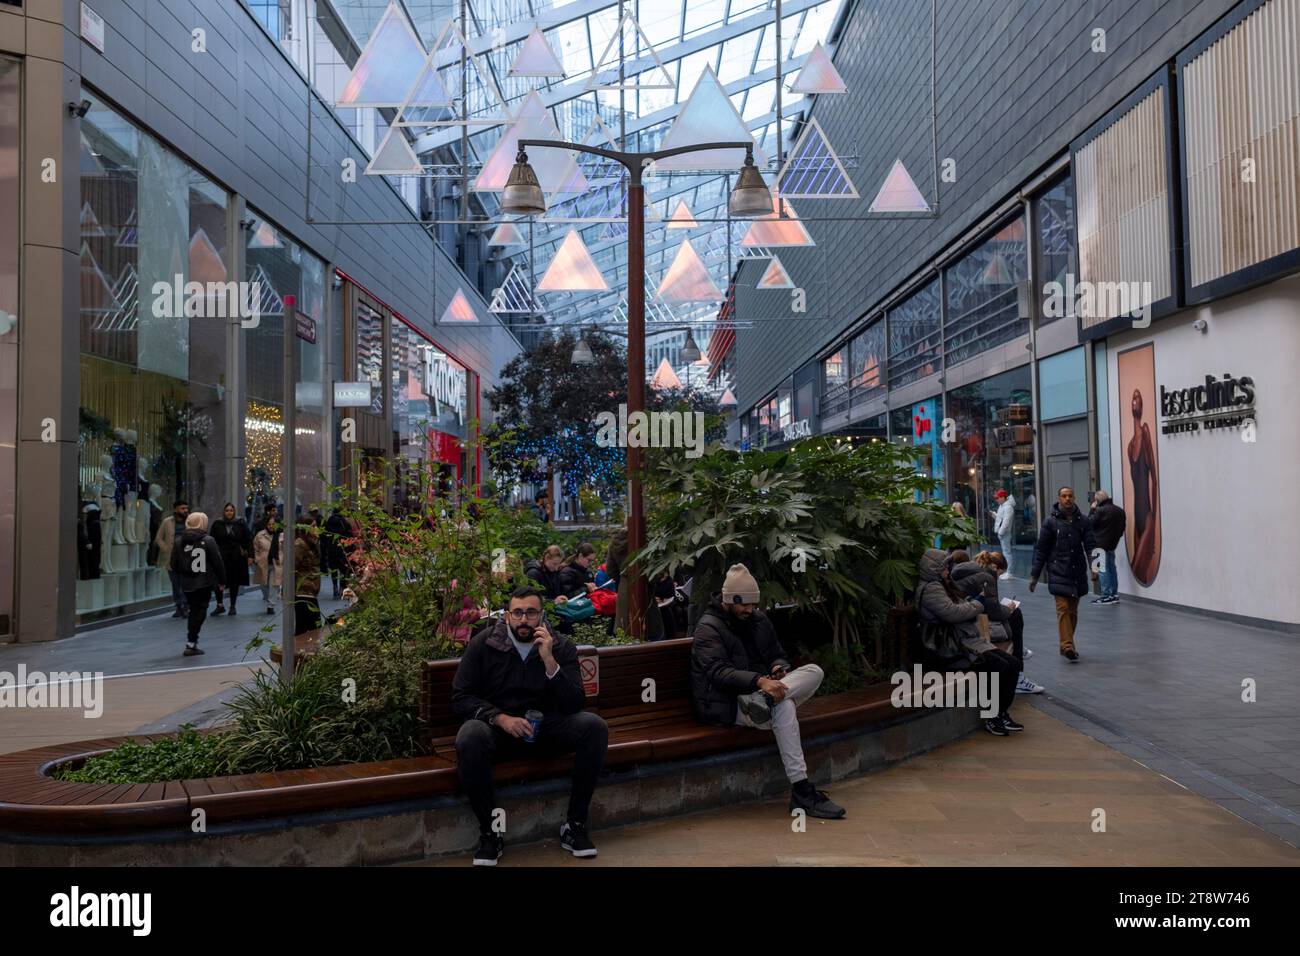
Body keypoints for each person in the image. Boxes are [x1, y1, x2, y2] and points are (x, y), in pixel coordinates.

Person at [452, 586, 609, 865]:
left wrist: (549, 660)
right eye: (518, 613)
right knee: (470, 736)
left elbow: (575, 703)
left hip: (546, 731)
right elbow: (461, 696)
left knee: (593, 727)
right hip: (500, 733)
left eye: (531, 613)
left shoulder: (560, 646)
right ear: (507, 616)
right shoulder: (483, 644)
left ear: (542, 615)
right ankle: (490, 833)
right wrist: (500, 718)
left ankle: (574, 825)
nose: (524, 619)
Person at [690, 564, 846, 819]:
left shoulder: (758, 620)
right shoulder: (708, 628)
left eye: (753, 604)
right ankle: (801, 790)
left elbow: (777, 654)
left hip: (761, 697)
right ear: (729, 600)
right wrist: (760, 682)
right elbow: (719, 673)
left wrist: (778, 668)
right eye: (744, 604)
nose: (749, 610)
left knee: (814, 671)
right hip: (729, 703)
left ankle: (765, 701)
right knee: (783, 705)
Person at [915, 549, 1023, 735]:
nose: (948, 571)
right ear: (935, 569)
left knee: (1012, 663)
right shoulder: (932, 589)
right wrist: (979, 602)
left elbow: (958, 606)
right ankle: (993, 716)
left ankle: (1001, 714)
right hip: (948, 648)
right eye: (945, 568)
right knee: (1000, 666)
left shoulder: (942, 584)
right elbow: (954, 613)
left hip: (962, 641)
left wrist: (972, 602)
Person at [1030, 486, 1097, 662]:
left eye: (1070, 496)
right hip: (1058, 570)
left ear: (1074, 498)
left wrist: (1096, 568)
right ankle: (1067, 646)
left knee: (1073, 611)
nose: (1067, 499)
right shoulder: (1050, 522)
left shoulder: (1083, 521)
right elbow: (1041, 550)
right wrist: (1034, 576)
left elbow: (1092, 545)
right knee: (1063, 609)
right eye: (1064, 496)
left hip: (1077, 572)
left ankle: (1066, 645)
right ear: (1059, 498)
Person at [972, 551, 1044, 695]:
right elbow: (994, 612)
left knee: (1013, 616)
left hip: (976, 619)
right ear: (994, 567)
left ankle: (1020, 651)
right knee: (1015, 614)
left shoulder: (976, 573)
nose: (998, 577)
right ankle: (1019, 674)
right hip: (978, 625)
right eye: (1000, 573)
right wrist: (1008, 608)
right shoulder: (987, 578)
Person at [171, 512, 224, 657]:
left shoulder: (179, 541)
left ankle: (192, 641)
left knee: (193, 610)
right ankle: (191, 641)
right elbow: (217, 562)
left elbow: (173, 564)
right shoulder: (208, 540)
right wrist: (222, 580)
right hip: (204, 582)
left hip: (187, 584)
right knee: (199, 611)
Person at [1127, 389, 1160, 585]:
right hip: (1137, 520)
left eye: (1138, 398)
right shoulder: (1130, 446)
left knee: (1138, 566)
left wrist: (1153, 519)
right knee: (1140, 573)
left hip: (1147, 516)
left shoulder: (1145, 431)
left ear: (1142, 404)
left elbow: (1154, 479)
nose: (1135, 402)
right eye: (1133, 398)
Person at [210, 502, 252, 616]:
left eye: (231, 510)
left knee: (234, 581)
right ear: (224, 512)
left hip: (236, 557)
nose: (229, 512)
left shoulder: (241, 523)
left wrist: (250, 555)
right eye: (227, 510)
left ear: (234, 512)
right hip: (221, 556)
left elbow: (248, 539)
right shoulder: (217, 523)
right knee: (219, 581)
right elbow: (212, 540)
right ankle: (220, 605)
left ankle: (232, 606)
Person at [1089, 490, 1127, 605]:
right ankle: (1114, 594)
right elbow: (1122, 528)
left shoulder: (1100, 510)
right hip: (1112, 544)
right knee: (1111, 568)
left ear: (1097, 500)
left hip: (1099, 544)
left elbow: (1089, 523)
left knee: (1102, 570)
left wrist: (1092, 509)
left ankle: (1106, 595)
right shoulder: (1119, 510)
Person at [153, 499, 189, 618]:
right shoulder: (167, 521)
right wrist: (166, 548)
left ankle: (186, 606)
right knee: (175, 584)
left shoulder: (190, 521)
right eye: (182, 508)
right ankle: (178, 606)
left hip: (186, 557)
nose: (185, 510)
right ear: (176, 509)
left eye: (186, 508)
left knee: (185, 583)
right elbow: (158, 538)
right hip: (171, 558)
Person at [290, 523, 322, 635]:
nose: (316, 528)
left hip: (311, 591)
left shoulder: (312, 543)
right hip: (303, 591)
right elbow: (292, 566)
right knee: (305, 629)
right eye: (313, 526)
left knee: (314, 628)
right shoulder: (300, 544)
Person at [251, 513, 280, 615]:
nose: (271, 526)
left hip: (276, 564)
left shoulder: (281, 535)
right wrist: (257, 559)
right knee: (263, 584)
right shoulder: (260, 535)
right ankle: (269, 599)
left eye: (273, 524)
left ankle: (270, 605)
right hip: (263, 563)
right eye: (269, 524)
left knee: (274, 585)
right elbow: (255, 547)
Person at [323, 507, 351, 599]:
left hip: (332, 549)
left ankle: (334, 587)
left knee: (334, 569)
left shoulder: (329, 521)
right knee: (343, 569)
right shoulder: (344, 522)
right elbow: (349, 535)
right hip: (342, 548)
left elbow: (325, 535)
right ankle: (341, 588)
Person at [993, 489, 1016, 579]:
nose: (996, 500)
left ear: (1003, 497)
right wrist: (994, 515)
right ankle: (1008, 572)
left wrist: (1000, 533)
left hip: (1004, 533)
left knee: (1007, 553)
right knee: (1006, 552)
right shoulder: (1003, 506)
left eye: (998, 498)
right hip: (1003, 532)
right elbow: (1001, 519)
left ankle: (1009, 573)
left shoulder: (1008, 507)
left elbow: (1006, 522)